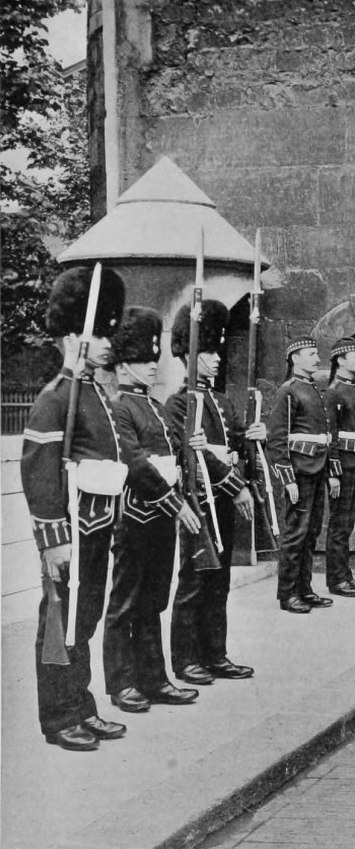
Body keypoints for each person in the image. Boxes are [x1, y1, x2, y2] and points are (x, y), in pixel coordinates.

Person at [22, 266, 128, 751]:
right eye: (98, 333)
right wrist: (54, 541)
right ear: (71, 335)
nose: (109, 343)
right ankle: (59, 716)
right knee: (58, 624)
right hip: (71, 535)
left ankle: (82, 705)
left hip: (97, 529)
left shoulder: (92, 396)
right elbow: (41, 475)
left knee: (84, 620)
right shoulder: (55, 399)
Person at [106, 308, 202, 712]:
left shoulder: (159, 407)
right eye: (142, 360)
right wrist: (174, 501)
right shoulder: (118, 406)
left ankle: (154, 678)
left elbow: (174, 452)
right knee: (126, 602)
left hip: (161, 520)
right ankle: (121, 682)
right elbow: (134, 463)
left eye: (153, 358)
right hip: (134, 517)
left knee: (153, 601)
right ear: (123, 363)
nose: (151, 365)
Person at [166, 299, 258, 685]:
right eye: (207, 351)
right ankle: (186, 659)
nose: (216, 358)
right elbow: (188, 455)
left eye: (216, 349)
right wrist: (235, 484)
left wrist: (254, 439)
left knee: (219, 581)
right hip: (198, 503)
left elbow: (235, 446)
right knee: (194, 580)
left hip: (222, 501)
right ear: (188, 353)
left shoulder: (220, 402)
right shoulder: (177, 403)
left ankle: (214, 653)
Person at [267, 336, 337, 614]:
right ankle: (288, 594)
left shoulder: (314, 390)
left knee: (310, 533)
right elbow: (276, 438)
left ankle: (304, 589)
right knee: (295, 534)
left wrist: (332, 473)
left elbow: (325, 437)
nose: (317, 358)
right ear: (295, 357)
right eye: (310, 354)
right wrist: (288, 479)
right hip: (299, 472)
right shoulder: (289, 391)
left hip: (317, 470)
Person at [324, 336, 355, 598]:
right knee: (339, 524)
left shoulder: (351, 388)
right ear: (340, 360)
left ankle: (345, 575)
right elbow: (330, 435)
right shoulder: (334, 392)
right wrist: (333, 473)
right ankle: (337, 580)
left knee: (348, 523)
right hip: (342, 466)